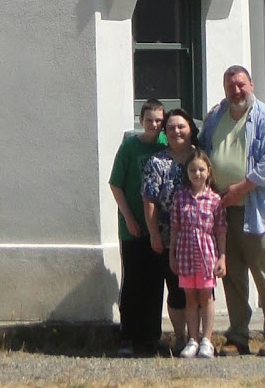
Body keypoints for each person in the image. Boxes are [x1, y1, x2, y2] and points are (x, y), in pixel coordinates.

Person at [199, 65, 265, 357]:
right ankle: (238, 336)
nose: (236, 91)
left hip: (259, 209)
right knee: (233, 275)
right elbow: (202, 152)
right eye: (230, 86)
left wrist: (241, 188)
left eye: (241, 84)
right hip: (224, 211)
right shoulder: (216, 117)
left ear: (251, 84)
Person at [108, 99, 166, 356]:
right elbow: (116, 184)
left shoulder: (166, 145)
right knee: (133, 281)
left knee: (155, 282)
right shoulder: (130, 148)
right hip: (133, 227)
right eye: (149, 120)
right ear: (141, 121)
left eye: (159, 120)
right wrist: (129, 218)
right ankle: (128, 336)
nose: (154, 125)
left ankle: (150, 336)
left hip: (159, 228)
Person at [141, 106, 198, 353]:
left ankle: (199, 338)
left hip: (199, 238)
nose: (176, 132)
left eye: (181, 126)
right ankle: (181, 337)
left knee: (199, 289)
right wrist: (154, 233)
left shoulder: (201, 159)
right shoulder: (157, 162)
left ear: (190, 129)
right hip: (167, 238)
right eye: (171, 128)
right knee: (176, 290)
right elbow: (149, 199)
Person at [169, 149, 227, 360]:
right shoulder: (180, 197)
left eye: (201, 169)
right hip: (185, 252)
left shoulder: (215, 199)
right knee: (190, 298)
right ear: (187, 172)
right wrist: (172, 254)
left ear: (208, 171)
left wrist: (222, 257)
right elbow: (175, 228)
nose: (197, 174)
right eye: (193, 170)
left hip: (207, 253)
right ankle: (192, 339)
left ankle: (206, 340)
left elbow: (220, 229)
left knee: (206, 297)